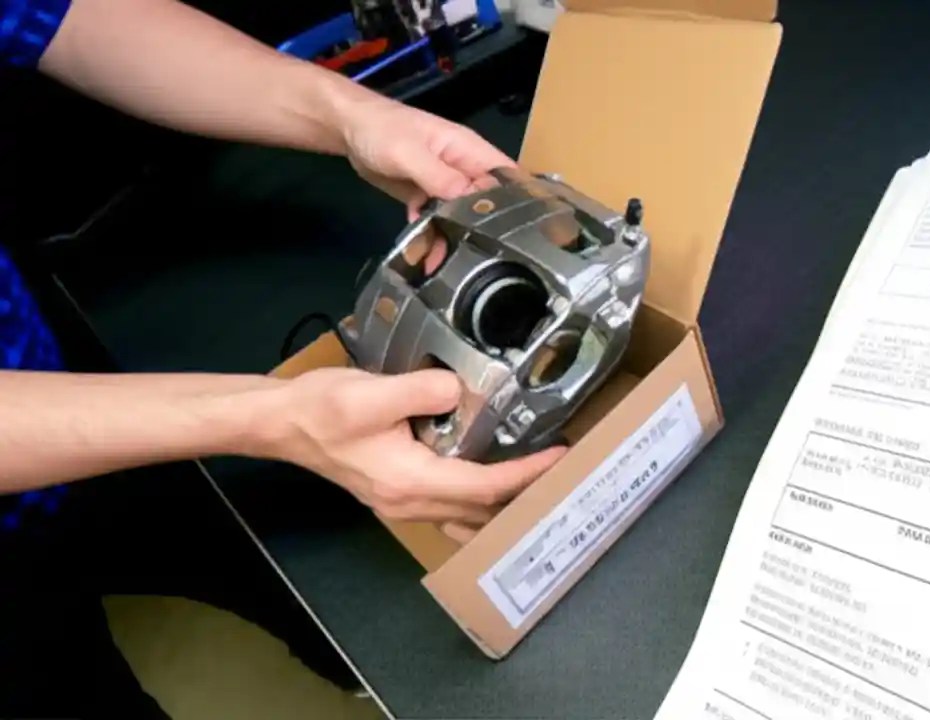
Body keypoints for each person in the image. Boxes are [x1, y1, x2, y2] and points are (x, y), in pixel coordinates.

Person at [0, 0, 565, 715]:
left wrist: (349, 115)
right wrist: (272, 418)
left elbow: (63, 15)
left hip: (58, 372)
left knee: (305, 586)